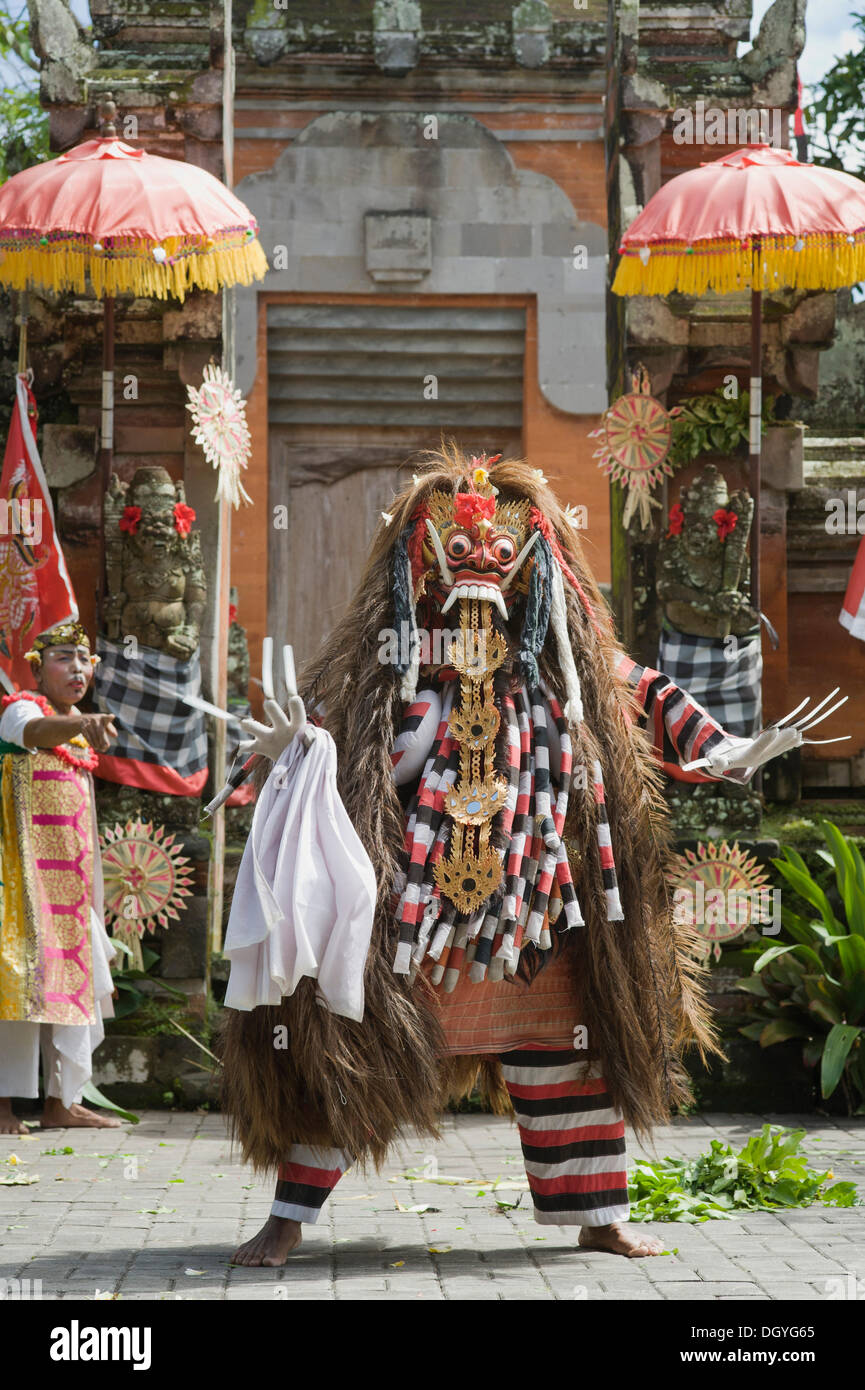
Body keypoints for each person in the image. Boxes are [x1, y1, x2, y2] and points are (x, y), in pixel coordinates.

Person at [219, 448, 845, 1265]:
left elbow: (650, 701)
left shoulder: (569, 668)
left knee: (571, 1046)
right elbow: (317, 736)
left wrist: (732, 749)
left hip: (543, 905)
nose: (478, 569)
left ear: (532, 567)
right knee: (357, 1040)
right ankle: (288, 1216)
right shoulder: (387, 664)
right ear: (423, 563)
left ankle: (596, 1214)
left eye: (499, 555)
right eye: (457, 552)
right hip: (412, 914)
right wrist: (278, 756)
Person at [0, 622, 121, 1134]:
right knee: (19, 988)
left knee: (78, 985)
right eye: (64, 658)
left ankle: (61, 1102)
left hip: (71, 891)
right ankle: (3, 1109)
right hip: (22, 884)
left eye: (84, 659)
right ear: (36, 669)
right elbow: (35, 734)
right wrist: (80, 724)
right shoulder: (21, 710)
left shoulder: (79, 732)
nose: (77, 668)